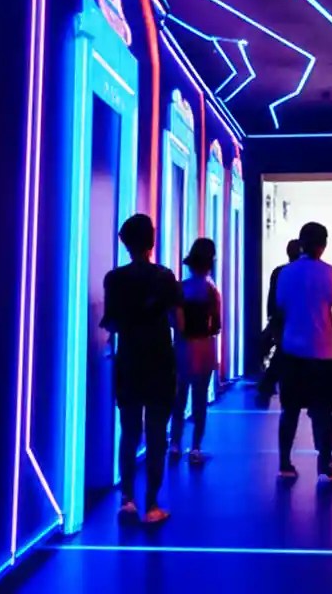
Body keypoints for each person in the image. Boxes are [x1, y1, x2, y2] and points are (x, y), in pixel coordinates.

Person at [100, 214, 183, 524]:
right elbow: (176, 321)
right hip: (160, 357)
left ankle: (127, 499)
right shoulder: (165, 277)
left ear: (125, 242)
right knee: (157, 431)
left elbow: (112, 322)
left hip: (130, 358)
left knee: (130, 429)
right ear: (151, 240)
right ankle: (151, 504)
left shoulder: (114, 279)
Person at [273, 222, 332, 484]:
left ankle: (285, 463)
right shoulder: (329, 273)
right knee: (322, 411)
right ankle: (325, 462)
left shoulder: (286, 273)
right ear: (323, 244)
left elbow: (281, 309)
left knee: (290, 410)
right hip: (321, 351)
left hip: (292, 351)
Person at [171, 238, 221, 463]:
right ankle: (196, 448)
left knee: (178, 398)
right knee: (200, 399)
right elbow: (217, 325)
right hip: (204, 347)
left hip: (182, 347)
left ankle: (174, 444)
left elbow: (174, 321)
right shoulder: (212, 291)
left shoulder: (180, 288)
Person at [256, 239, 301, 399]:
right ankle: (273, 381)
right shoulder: (299, 273)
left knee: (281, 349)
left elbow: (272, 298)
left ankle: (269, 381)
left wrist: (272, 318)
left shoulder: (280, 271)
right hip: (294, 318)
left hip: (280, 318)